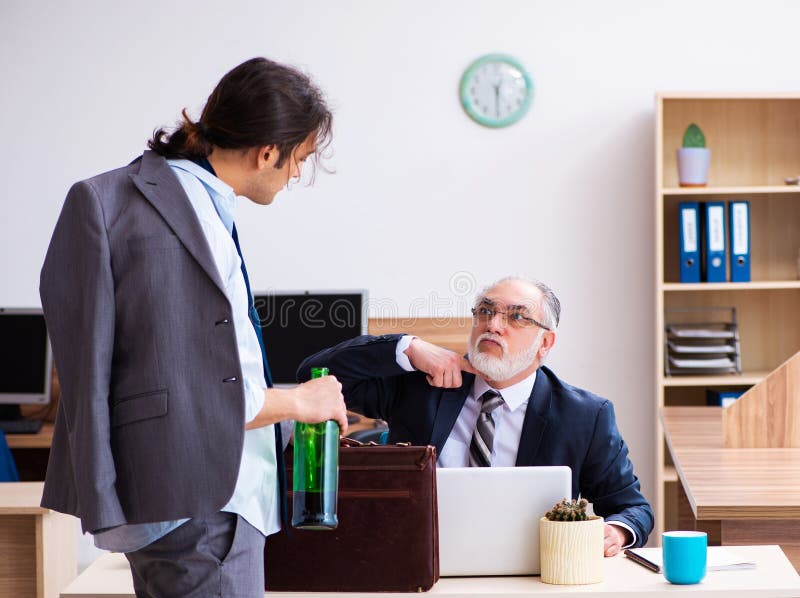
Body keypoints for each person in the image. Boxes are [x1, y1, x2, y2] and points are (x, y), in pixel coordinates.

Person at [40, 57, 348, 597]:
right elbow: (104, 367)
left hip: (217, 505)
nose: (297, 174)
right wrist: (301, 402)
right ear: (268, 151)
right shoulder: (104, 201)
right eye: (299, 158)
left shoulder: (211, 208)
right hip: (198, 504)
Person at [299, 276, 653, 556]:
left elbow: (632, 508)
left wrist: (618, 531)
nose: (493, 324)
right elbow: (313, 372)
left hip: (532, 570)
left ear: (545, 344)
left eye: (516, 316)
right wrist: (406, 347)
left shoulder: (585, 416)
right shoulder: (423, 386)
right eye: (485, 311)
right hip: (417, 555)